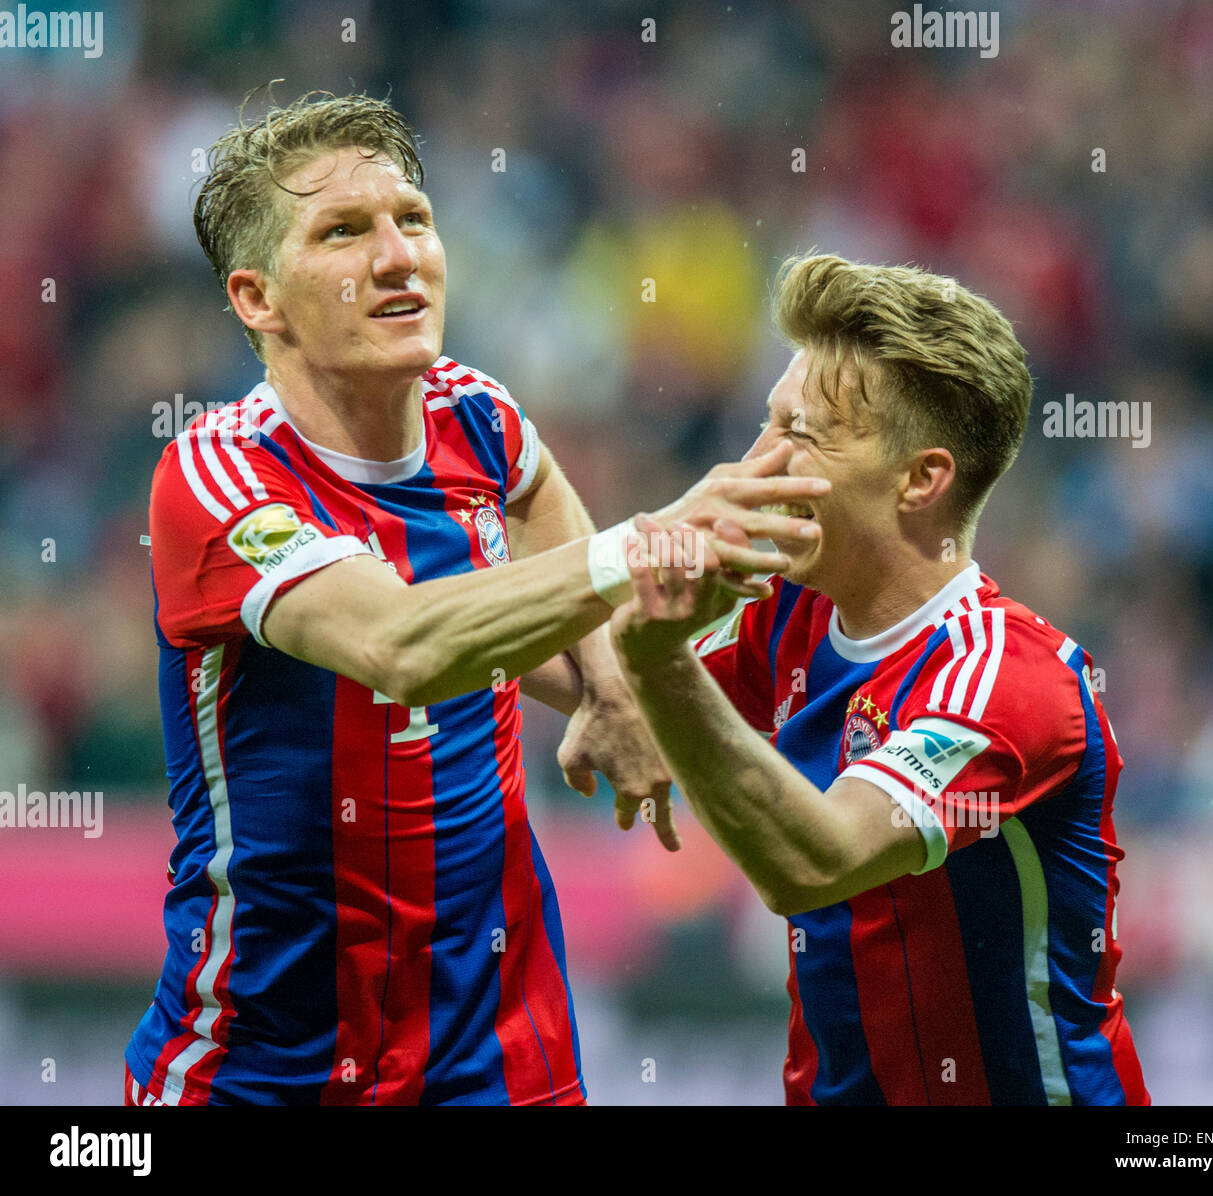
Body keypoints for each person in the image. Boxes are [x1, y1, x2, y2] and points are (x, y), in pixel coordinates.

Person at [123, 91, 827, 1106]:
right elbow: (405, 646)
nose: (396, 254)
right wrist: (644, 546)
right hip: (264, 1064)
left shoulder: (479, 418)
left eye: (411, 218)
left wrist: (613, 681)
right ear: (256, 299)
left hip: (499, 1055)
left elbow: (562, 565)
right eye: (342, 232)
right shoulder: (217, 477)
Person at [605, 253, 1151, 1105]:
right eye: (766, 422)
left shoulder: (1004, 680)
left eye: (803, 435)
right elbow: (578, 669)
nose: (755, 465)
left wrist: (652, 666)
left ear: (921, 479)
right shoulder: (792, 616)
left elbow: (814, 861)